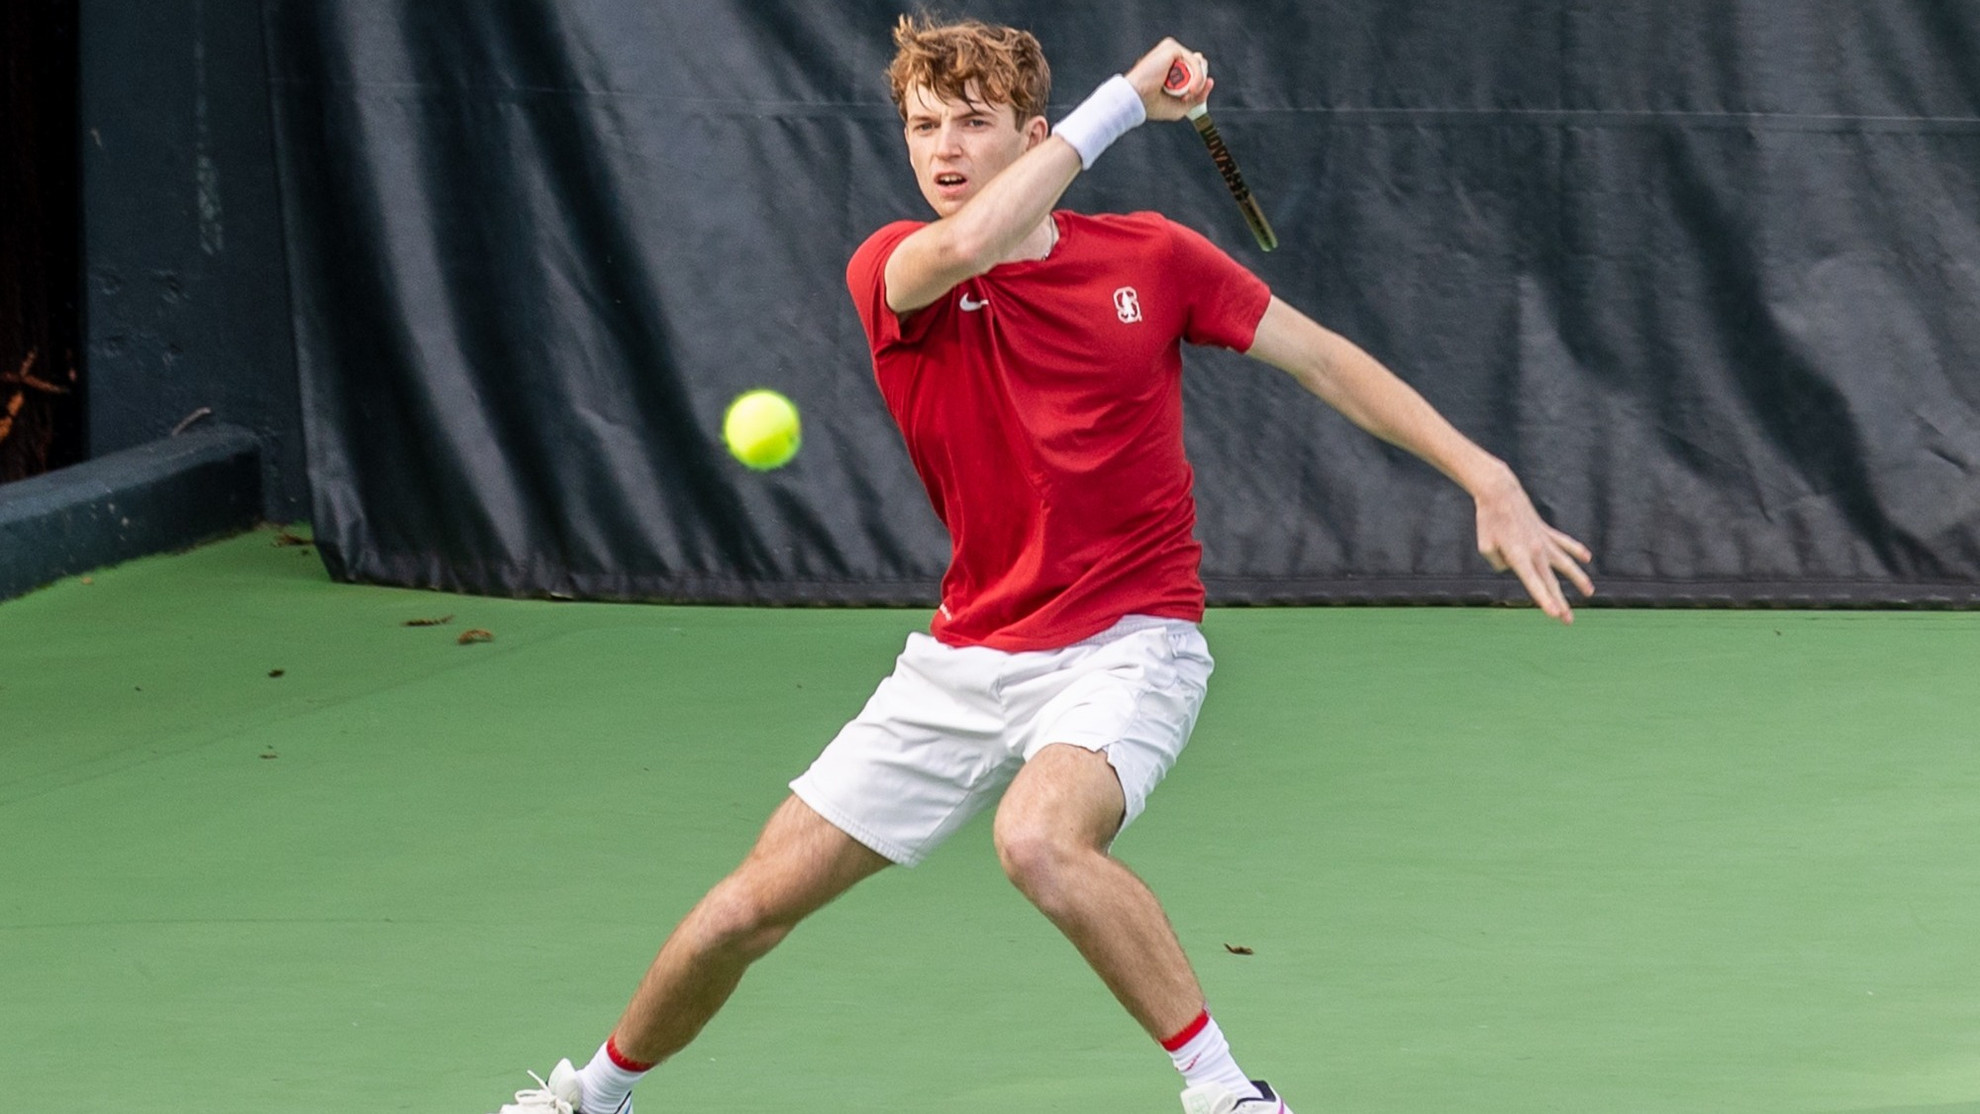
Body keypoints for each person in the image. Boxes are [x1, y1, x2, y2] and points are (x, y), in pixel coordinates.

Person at [492, 15, 1594, 1114]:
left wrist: (1483, 473)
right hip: (966, 655)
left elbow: (1323, 359)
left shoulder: (1153, 258)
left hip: (1131, 641)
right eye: (923, 125)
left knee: (1038, 839)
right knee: (743, 911)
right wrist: (1127, 103)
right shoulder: (895, 268)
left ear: (1030, 136)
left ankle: (1227, 1094)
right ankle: (591, 1096)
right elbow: (967, 246)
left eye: (973, 123)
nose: (944, 149)